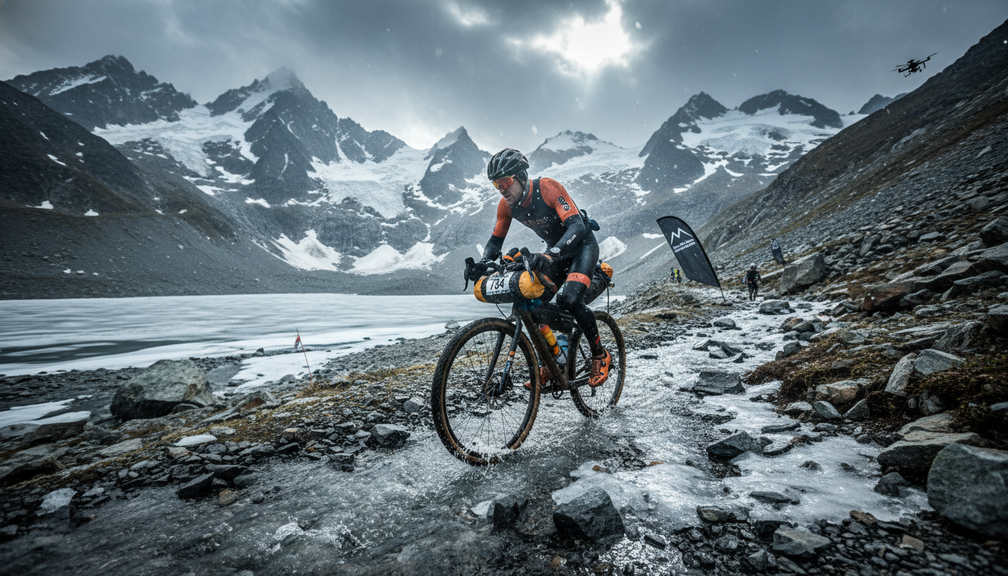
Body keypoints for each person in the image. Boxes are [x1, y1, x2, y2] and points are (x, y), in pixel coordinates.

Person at [478, 148, 610, 388]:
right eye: (496, 184)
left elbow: (577, 227)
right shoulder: (506, 206)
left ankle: (600, 355)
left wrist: (552, 253)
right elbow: (495, 241)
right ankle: (553, 360)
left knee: (571, 300)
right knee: (534, 303)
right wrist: (482, 264)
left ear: (520, 176)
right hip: (555, 254)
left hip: (582, 247)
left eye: (505, 182)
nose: (501, 189)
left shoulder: (548, 188)